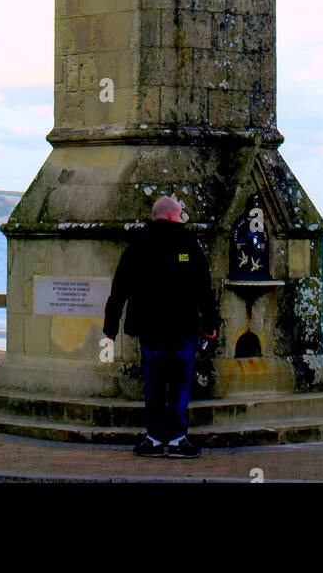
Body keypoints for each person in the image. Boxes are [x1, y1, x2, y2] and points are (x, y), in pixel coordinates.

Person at [102, 195, 218, 458]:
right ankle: (177, 440)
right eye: (179, 214)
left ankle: (154, 439)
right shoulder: (189, 244)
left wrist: (110, 327)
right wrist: (210, 324)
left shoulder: (138, 245)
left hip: (150, 327)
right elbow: (204, 289)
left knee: (153, 383)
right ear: (171, 216)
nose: (181, 218)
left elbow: (119, 289)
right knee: (180, 383)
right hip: (183, 327)